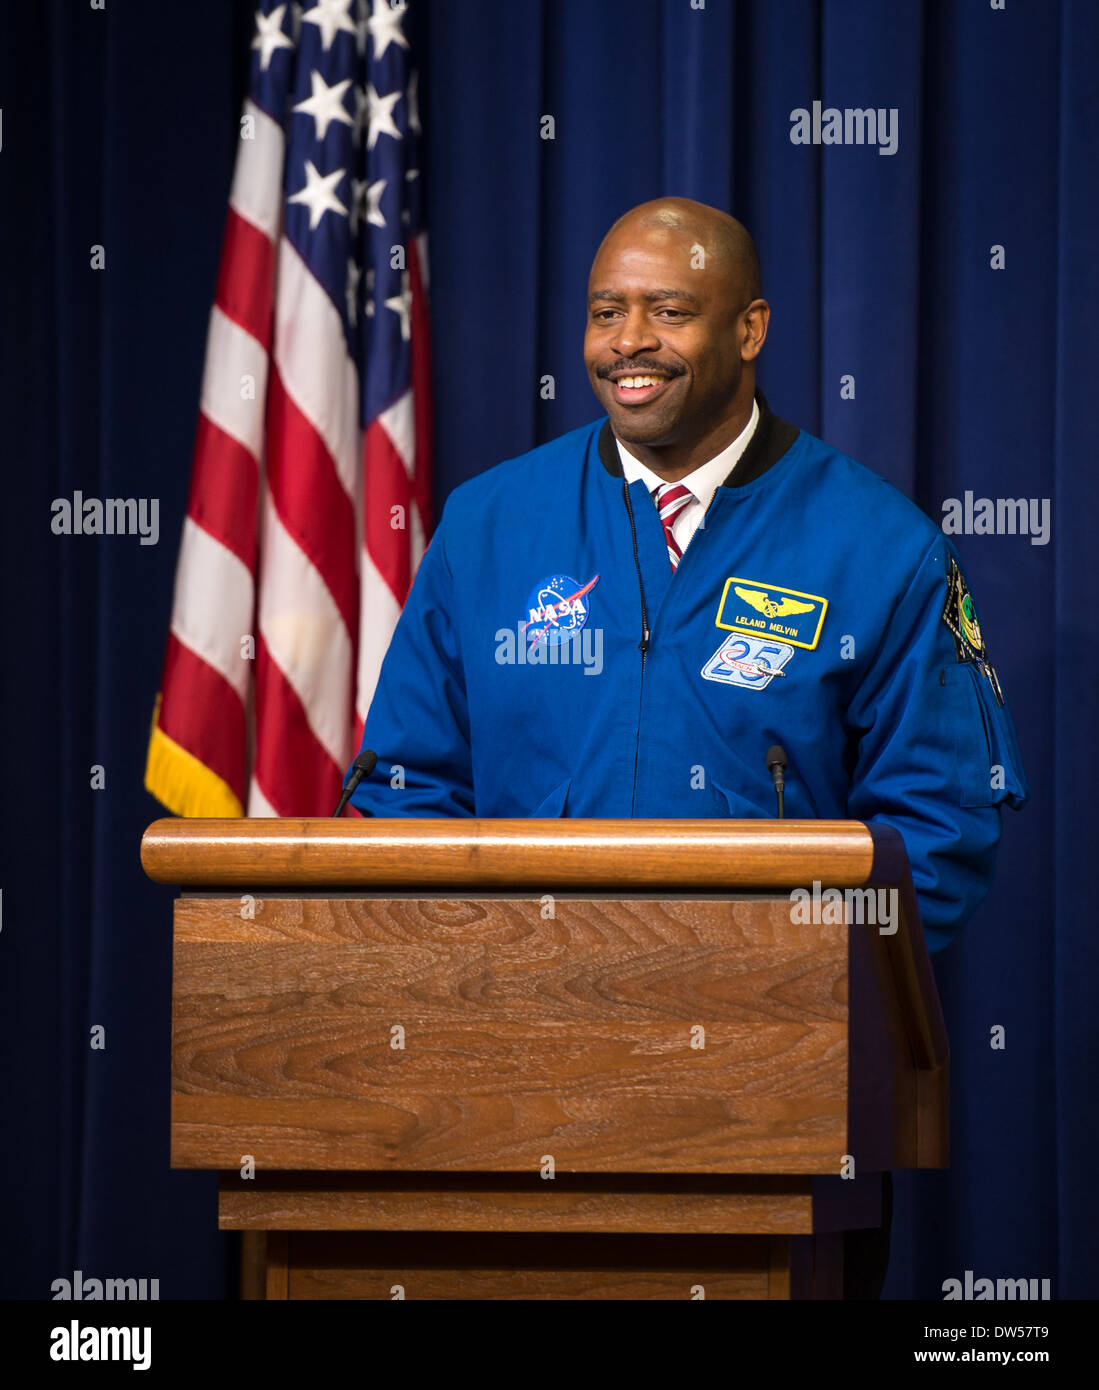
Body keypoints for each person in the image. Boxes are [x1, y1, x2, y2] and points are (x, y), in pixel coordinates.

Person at [349, 196, 1028, 958]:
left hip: (769, 1039)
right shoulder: (485, 525)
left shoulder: (882, 548)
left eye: (667, 312)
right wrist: (495, 964)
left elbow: (936, 829)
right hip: (521, 1022)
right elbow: (405, 787)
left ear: (749, 329)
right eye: (606, 313)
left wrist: (778, 978)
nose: (629, 342)